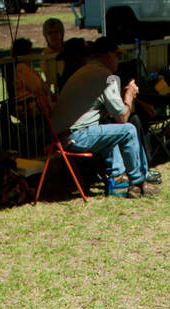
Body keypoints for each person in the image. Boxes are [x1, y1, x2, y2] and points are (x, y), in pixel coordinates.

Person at [50, 35, 159, 197]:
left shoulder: (87, 71)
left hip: (64, 134)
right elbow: (122, 118)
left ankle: (119, 179)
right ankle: (137, 182)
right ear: (105, 55)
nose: (118, 60)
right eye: (117, 55)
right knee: (128, 129)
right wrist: (129, 95)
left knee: (112, 130)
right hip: (75, 135)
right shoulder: (105, 76)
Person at [41, 16, 65, 89]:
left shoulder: (69, 48)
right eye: (50, 33)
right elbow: (49, 78)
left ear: (61, 33)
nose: (53, 35)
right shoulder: (45, 55)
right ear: (46, 36)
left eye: (56, 32)